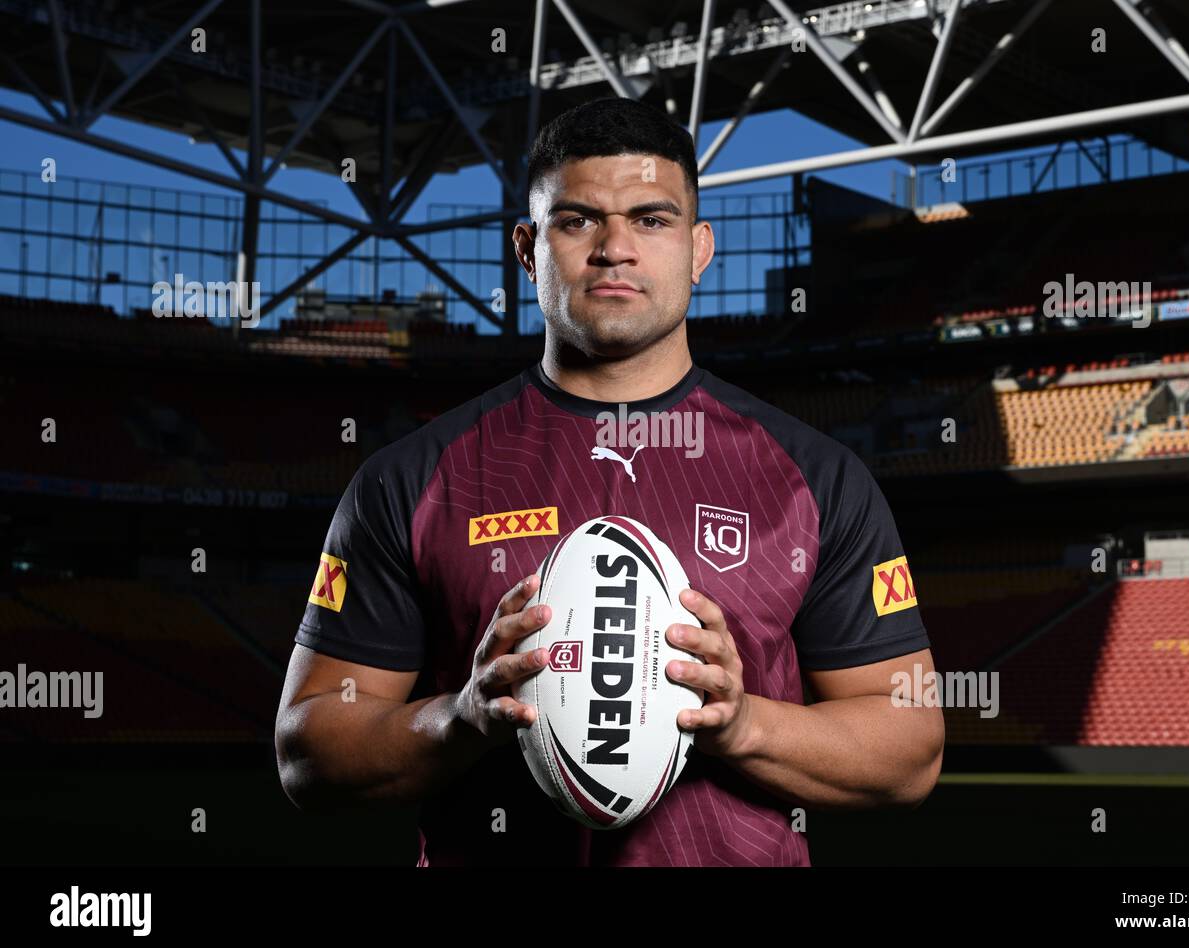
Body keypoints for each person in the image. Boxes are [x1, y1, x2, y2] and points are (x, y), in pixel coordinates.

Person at [275, 97, 943, 866]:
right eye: (578, 220)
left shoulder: (816, 479)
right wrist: (463, 716)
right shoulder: (413, 478)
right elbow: (306, 753)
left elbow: (911, 747)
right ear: (527, 250)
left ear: (699, 250)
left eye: (652, 220)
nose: (615, 249)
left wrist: (742, 724)